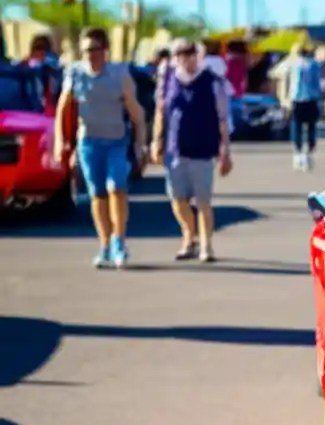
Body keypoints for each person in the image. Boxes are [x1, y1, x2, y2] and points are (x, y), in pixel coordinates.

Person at [53, 27, 148, 269]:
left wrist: (140, 144)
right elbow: (63, 109)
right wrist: (60, 141)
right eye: (86, 50)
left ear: (105, 51)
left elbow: (136, 112)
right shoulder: (75, 74)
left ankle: (120, 241)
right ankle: (104, 245)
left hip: (116, 141)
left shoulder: (119, 75)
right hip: (89, 143)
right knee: (97, 195)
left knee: (117, 187)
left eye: (95, 49)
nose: (90, 55)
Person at [151, 38, 232, 263]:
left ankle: (206, 245)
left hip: (203, 149)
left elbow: (223, 118)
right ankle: (189, 236)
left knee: (203, 201)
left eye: (190, 53)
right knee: (178, 199)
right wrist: (156, 141)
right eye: (180, 53)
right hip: (175, 149)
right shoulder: (168, 79)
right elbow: (160, 112)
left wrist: (225, 150)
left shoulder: (211, 81)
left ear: (198, 55)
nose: (185, 58)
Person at [281, 43, 323, 170]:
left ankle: (305, 153)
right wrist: (285, 98)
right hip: (299, 99)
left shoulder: (313, 65)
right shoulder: (292, 65)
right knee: (298, 127)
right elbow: (286, 82)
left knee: (306, 127)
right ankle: (300, 153)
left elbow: (317, 82)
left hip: (308, 99)